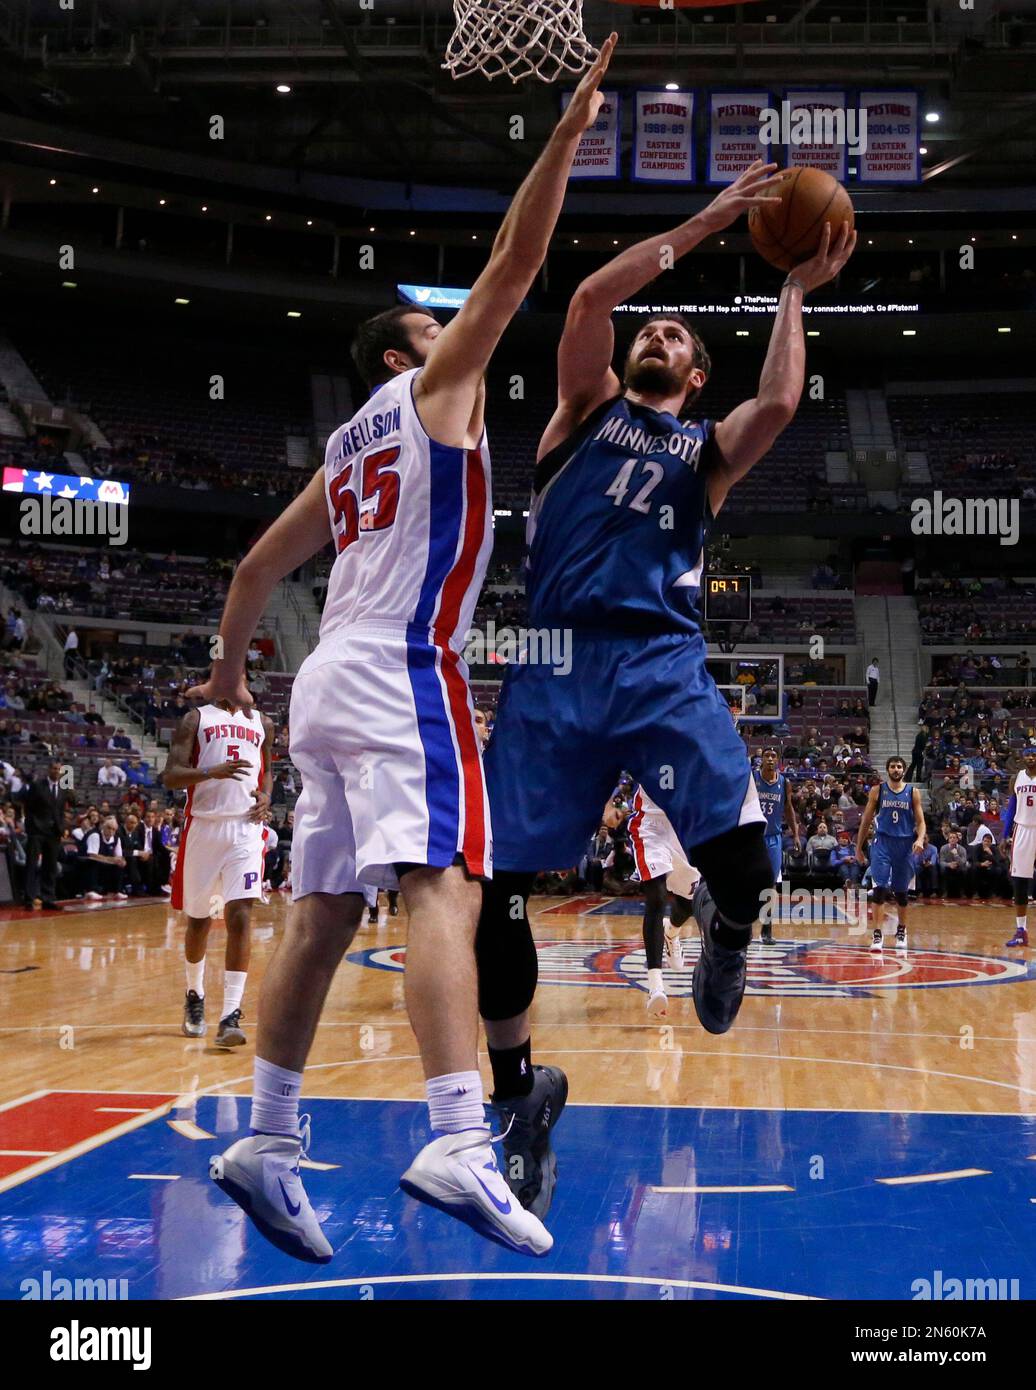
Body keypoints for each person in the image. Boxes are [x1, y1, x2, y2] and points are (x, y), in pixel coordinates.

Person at [194, 41, 618, 1265]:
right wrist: (565, 136)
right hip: (400, 664)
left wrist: (230, 676)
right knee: (447, 881)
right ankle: (457, 1135)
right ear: (403, 355)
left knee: (322, 909)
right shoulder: (434, 391)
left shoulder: (340, 450)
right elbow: (519, 261)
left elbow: (250, 574)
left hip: (324, 672)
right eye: (437, 331)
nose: (461, 340)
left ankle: (266, 1140)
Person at [475, 160, 855, 1215]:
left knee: (744, 856)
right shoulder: (578, 411)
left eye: (681, 338)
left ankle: (724, 938)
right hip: (552, 665)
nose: (660, 335)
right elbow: (593, 296)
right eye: (657, 329)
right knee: (493, 898)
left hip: (658, 658)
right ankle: (518, 1096)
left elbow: (779, 398)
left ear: (695, 380)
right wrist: (712, 220)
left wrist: (789, 293)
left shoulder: (706, 450)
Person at [162, 699, 273, 1047]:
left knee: (240, 914)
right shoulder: (195, 718)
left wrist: (266, 796)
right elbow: (170, 776)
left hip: (245, 829)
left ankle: (230, 1014)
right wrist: (212, 771)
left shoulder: (262, 723)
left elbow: (267, 770)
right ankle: (194, 993)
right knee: (199, 920)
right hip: (205, 828)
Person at [627, 783, 701, 1018]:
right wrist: (607, 805)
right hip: (650, 823)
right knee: (656, 898)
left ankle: (671, 931)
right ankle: (655, 985)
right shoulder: (643, 746)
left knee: (689, 902)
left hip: (682, 826)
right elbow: (611, 761)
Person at [856, 756, 925, 952]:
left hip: (904, 844)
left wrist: (920, 839)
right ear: (887, 770)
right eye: (893, 766)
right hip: (882, 843)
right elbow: (866, 821)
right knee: (879, 890)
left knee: (902, 893)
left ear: (903, 770)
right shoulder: (878, 791)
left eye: (899, 766)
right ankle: (877, 934)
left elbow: (921, 822)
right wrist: (858, 848)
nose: (896, 769)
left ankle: (901, 930)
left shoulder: (913, 792)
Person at [753, 746, 800, 945]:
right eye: (767, 755)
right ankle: (744, 926)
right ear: (761, 759)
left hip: (773, 837)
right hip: (752, 837)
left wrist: (796, 834)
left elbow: (788, 809)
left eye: (773, 756)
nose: (770, 759)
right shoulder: (752, 779)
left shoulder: (784, 782)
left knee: (770, 885)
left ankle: (767, 929)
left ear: (778, 760)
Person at [14, 760, 68, 909]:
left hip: (54, 832)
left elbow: (61, 811)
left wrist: (62, 827)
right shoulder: (37, 785)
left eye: (59, 769)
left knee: (50, 866)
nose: (56, 771)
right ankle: (29, 899)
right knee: (32, 865)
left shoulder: (63, 789)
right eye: (54, 768)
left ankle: (48, 898)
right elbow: (27, 806)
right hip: (37, 831)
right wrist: (31, 826)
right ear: (49, 769)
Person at [1003, 745, 1036, 946]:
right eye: (1027, 755)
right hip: (1022, 829)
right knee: (1020, 882)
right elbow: (1012, 808)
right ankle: (1021, 930)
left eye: (1033, 755)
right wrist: (1005, 834)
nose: (1030, 758)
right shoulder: (1016, 778)